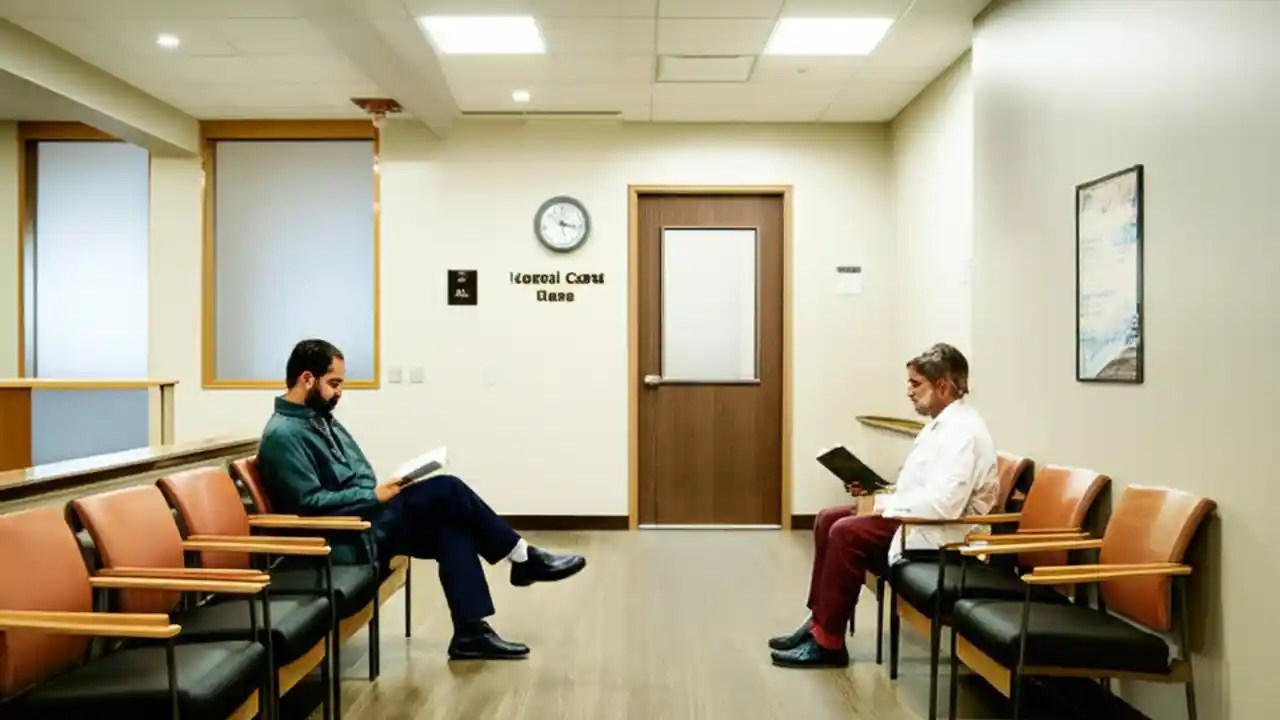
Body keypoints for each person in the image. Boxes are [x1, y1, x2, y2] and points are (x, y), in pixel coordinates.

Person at [256, 338, 587, 661]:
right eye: (334, 383)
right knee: (447, 488)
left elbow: (360, 471)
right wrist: (371, 495)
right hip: (342, 538)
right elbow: (308, 504)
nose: (339, 392)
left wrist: (384, 488)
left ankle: (471, 634)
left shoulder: (320, 417)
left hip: (367, 519)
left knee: (452, 527)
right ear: (306, 378)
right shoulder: (283, 435)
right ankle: (523, 558)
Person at [768, 343, 998, 668]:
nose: (908, 391)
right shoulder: (941, 424)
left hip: (943, 534)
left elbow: (945, 504)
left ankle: (829, 643)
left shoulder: (964, 433)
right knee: (826, 518)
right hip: (919, 519)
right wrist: (879, 493)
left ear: (943, 386)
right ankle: (818, 622)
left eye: (916, 384)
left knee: (846, 532)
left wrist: (884, 504)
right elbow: (922, 486)